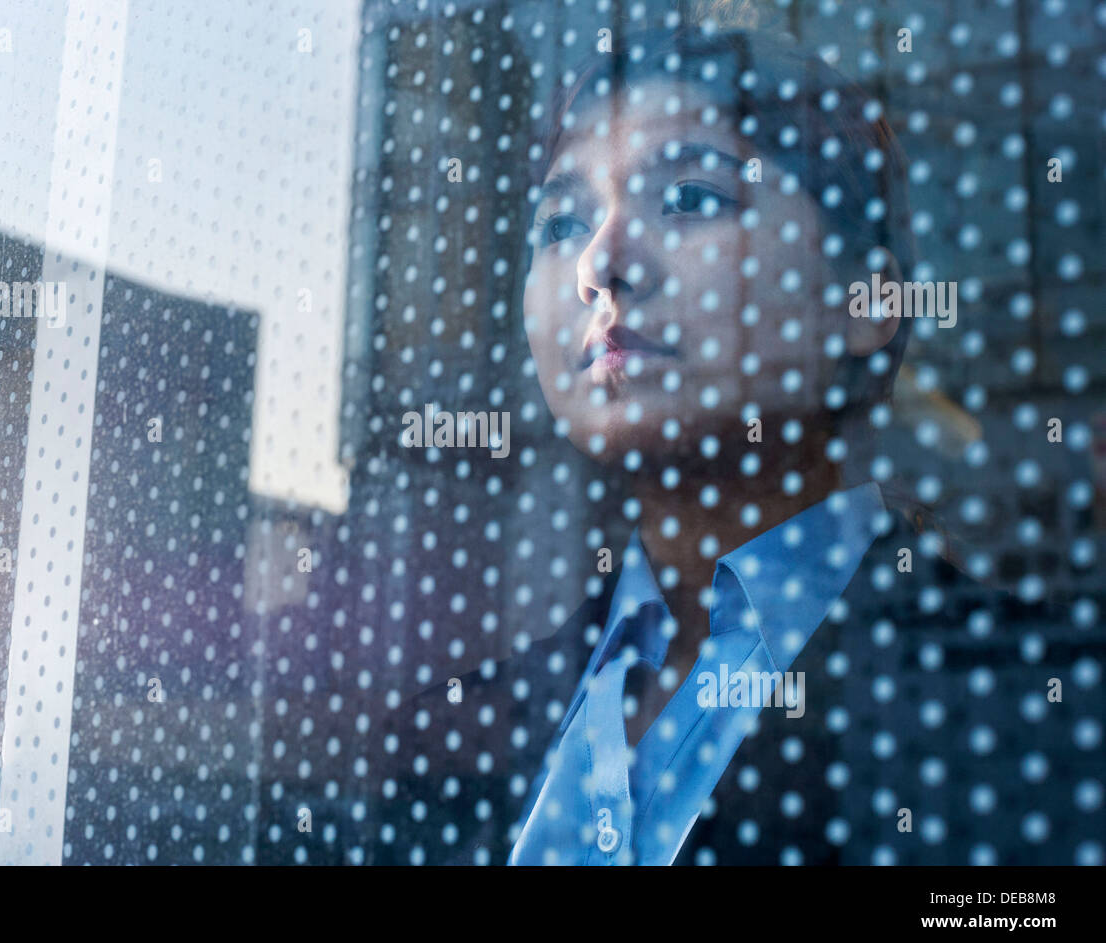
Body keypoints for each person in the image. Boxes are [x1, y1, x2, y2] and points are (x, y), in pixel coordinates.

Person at [355, 16, 1083, 867]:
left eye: (693, 198)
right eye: (561, 224)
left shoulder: (1026, 714)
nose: (599, 261)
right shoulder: (447, 737)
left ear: (866, 302)